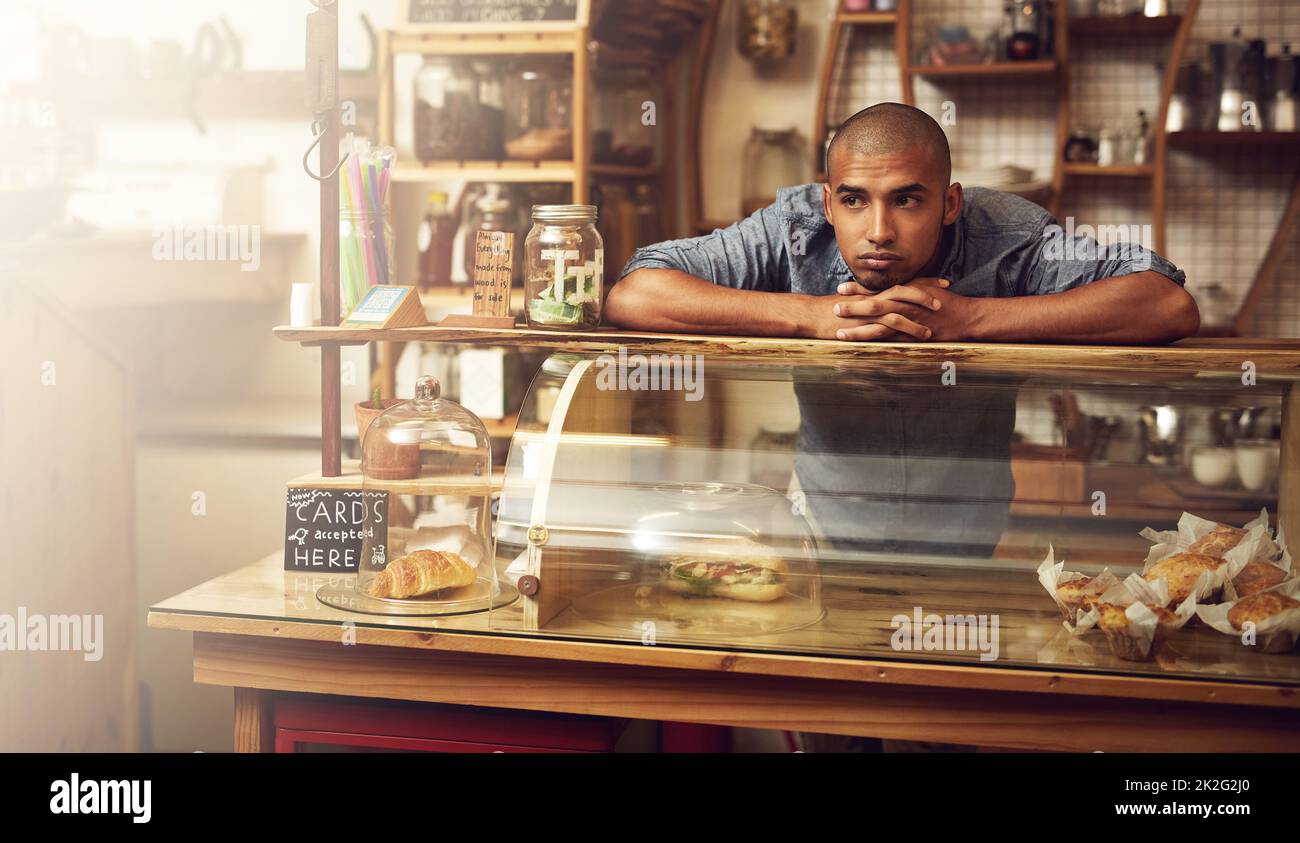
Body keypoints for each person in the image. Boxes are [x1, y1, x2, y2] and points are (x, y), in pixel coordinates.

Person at [606, 102, 1200, 559]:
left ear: (949, 202)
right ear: (828, 204)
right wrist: (811, 315)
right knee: (834, 706)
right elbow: (637, 293)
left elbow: (1165, 302)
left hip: (969, 533)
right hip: (822, 524)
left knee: (943, 705)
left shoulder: (1008, 235)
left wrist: (972, 319)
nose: (879, 230)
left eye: (908, 200)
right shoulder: (792, 228)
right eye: (855, 201)